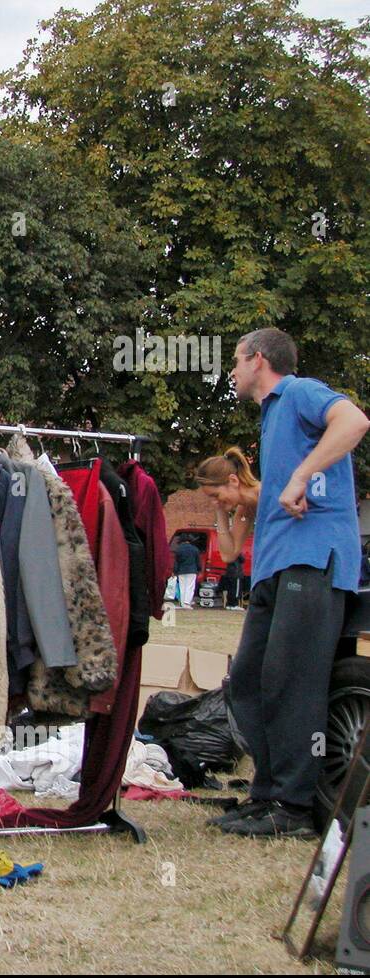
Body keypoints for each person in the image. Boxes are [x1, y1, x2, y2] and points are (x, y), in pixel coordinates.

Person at [209, 327, 369, 839]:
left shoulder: (298, 391)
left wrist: (301, 477)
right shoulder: (272, 414)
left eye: (236, 359)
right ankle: (267, 797)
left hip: (312, 560)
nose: (232, 370)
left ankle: (296, 809)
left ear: (259, 360)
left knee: (291, 681)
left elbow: (354, 420)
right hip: (276, 566)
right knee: (250, 682)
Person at [171, 534, 202, 608]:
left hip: (181, 571)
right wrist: (199, 569)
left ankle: (182, 603)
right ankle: (187, 602)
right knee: (190, 587)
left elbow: (176, 562)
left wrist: (174, 571)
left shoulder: (179, 549)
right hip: (192, 570)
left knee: (182, 587)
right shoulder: (195, 549)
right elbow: (198, 561)